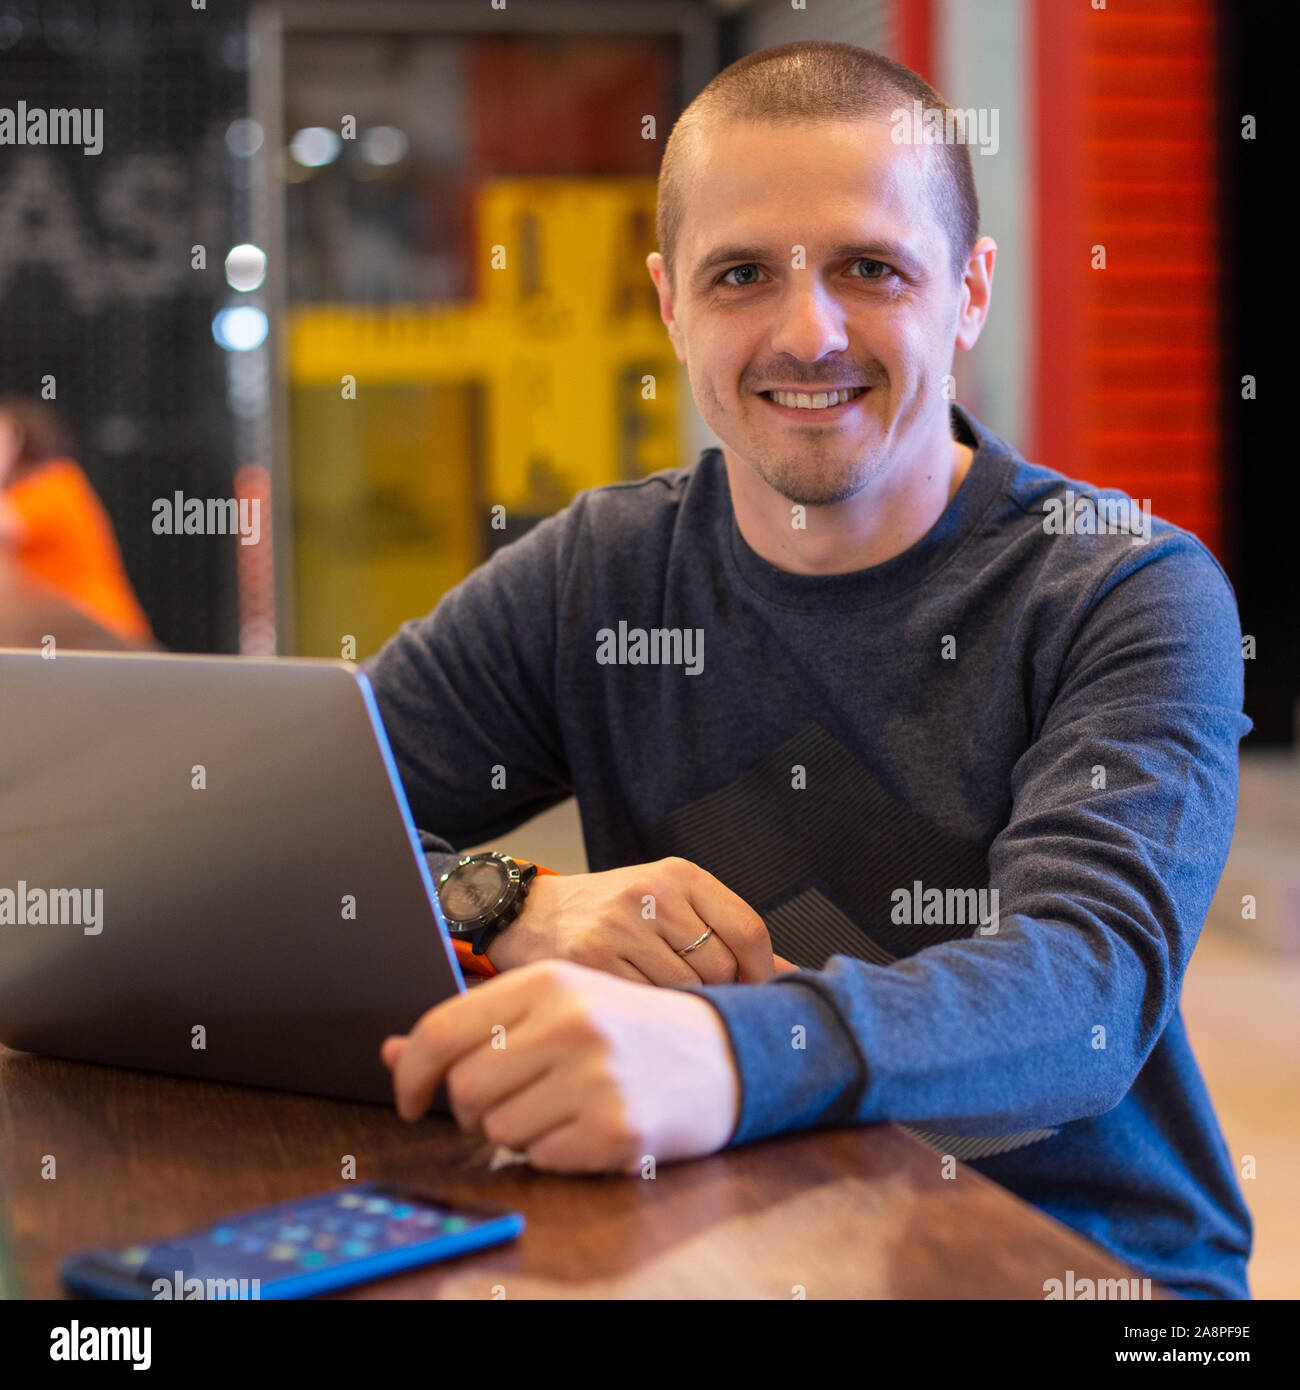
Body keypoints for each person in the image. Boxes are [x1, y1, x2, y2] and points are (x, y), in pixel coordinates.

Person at [363, 42, 1252, 1299]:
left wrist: (719, 1054)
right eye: (742, 275)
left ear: (969, 293)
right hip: (720, 1232)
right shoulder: (596, 577)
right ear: (671, 302)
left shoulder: (1119, 588)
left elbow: (1084, 991)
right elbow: (288, 843)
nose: (807, 331)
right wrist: (509, 902)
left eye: (869, 267)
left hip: (1081, 1266)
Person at [0, 397, 152, 645]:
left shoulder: (57, 483)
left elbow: (6, 528)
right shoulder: (17, 496)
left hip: (102, 634)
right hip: (50, 636)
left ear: (18, 444)